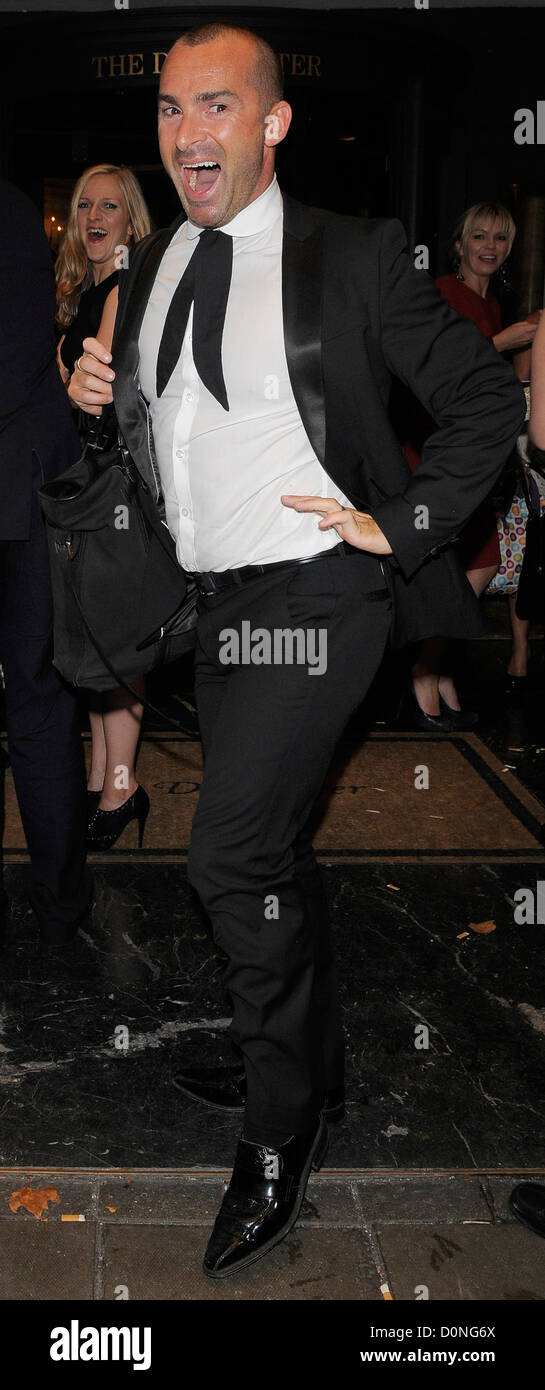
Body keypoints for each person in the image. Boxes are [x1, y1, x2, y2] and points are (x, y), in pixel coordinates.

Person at [70, 24, 525, 1279]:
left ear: (271, 122)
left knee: (228, 854)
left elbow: (483, 402)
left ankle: (282, 1132)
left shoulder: (357, 255)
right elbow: (155, 415)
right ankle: (309, 1054)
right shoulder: (152, 258)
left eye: (215, 106)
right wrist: (96, 384)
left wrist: (410, 523)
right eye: (168, 109)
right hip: (210, 606)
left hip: (322, 595)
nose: (185, 133)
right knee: (268, 847)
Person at [0, 178, 92, 946]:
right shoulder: (14, 209)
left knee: (38, 702)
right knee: (40, 701)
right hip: (29, 485)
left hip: (26, 486)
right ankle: (61, 906)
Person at [404, 203, 538, 727]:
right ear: (459, 245)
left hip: (476, 456)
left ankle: (435, 672)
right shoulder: (441, 292)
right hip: (439, 452)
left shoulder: (493, 305)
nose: (489, 246)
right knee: (466, 563)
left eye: (500, 238)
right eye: (479, 236)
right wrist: (505, 342)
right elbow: (442, 373)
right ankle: (422, 673)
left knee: (476, 563)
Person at [56, 165, 152, 849]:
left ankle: (121, 784)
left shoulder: (123, 285)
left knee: (116, 640)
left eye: (109, 206)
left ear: (129, 221)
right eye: (84, 204)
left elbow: (105, 396)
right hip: (85, 487)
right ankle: (99, 775)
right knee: (93, 639)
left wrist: (59, 380)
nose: (94, 216)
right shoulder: (82, 292)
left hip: (111, 488)